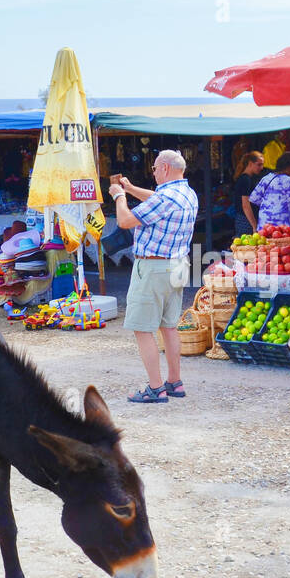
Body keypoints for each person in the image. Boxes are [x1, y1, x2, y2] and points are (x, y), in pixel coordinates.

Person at [111, 150, 200, 403]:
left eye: (153, 168)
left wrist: (119, 197)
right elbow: (156, 200)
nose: (153, 172)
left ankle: (155, 387)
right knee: (169, 326)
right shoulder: (187, 193)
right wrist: (129, 188)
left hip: (154, 267)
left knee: (142, 329)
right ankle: (174, 382)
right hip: (178, 265)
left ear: (163, 168)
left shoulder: (165, 197)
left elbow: (125, 221)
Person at [248, 153, 290, 228]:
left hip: (263, 225)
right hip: (281, 227)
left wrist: (269, 205)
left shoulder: (266, 178)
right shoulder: (289, 181)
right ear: (289, 168)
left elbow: (253, 198)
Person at [231, 151, 264, 239]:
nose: (261, 168)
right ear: (250, 164)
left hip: (246, 218)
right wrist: (254, 225)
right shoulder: (245, 180)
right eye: (259, 164)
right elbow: (245, 205)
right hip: (245, 220)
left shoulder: (248, 178)